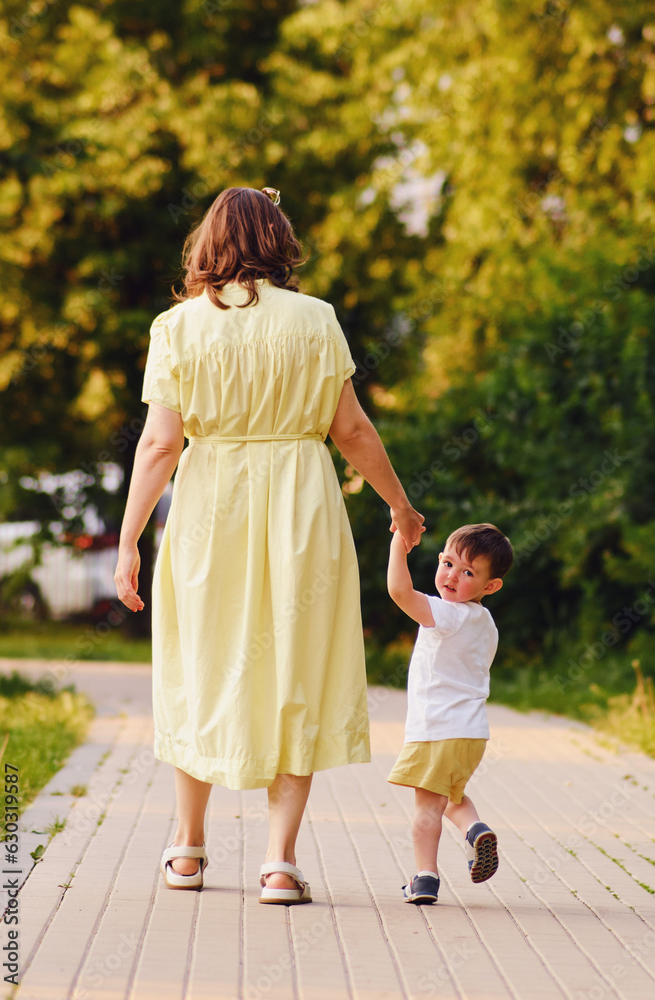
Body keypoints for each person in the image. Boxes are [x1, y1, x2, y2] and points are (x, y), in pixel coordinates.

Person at [114, 186, 424, 903]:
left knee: (202, 663)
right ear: (279, 238)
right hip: (300, 504)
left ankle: (188, 850)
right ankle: (279, 863)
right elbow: (351, 431)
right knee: (295, 668)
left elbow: (161, 442)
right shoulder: (316, 320)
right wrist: (401, 508)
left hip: (208, 506)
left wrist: (129, 540)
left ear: (209, 244)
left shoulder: (177, 326)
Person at [386, 522, 513, 904]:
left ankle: (425, 877)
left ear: (490, 586)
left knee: (427, 807)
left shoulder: (446, 614)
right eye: (448, 563)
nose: (452, 576)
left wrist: (398, 542)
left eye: (469, 572)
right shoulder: (485, 623)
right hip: (471, 734)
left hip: (437, 729)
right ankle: (475, 830)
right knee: (451, 797)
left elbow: (398, 591)